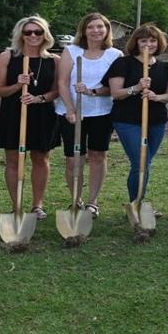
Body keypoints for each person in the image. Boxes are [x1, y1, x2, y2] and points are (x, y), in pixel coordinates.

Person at [0, 15, 61, 219]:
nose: (33, 35)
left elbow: (56, 91)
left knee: (41, 158)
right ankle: (16, 205)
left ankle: (37, 205)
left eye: (38, 32)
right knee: (13, 160)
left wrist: (39, 98)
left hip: (42, 113)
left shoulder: (54, 60)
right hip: (13, 112)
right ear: (20, 34)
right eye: (27, 32)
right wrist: (17, 85)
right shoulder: (7, 57)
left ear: (45, 35)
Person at [55, 12, 123, 219]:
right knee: (74, 158)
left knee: (97, 156)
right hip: (71, 113)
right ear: (84, 30)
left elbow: (112, 88)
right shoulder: (72, 51)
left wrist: (92, 91)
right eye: (91, 27)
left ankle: (93, 202)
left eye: (100, 27)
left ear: (107, 30)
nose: (96, 31)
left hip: (101, 113)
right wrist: (70, 109)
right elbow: (62, 82)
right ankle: (76, 200)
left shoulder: (115, 55)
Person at [107, 23, 168, 205]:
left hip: (156, 121)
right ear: (136, 42)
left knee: (145, 164)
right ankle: (136, 203)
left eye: (152, 40)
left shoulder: (165, 67)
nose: (148, 44)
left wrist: (155, 96)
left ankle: (139, 203)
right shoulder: (123, 63)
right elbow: (116, 93)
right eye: (143, 40)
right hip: (127, 120)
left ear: (158, 42)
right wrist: (137, 88)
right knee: (140, 163)